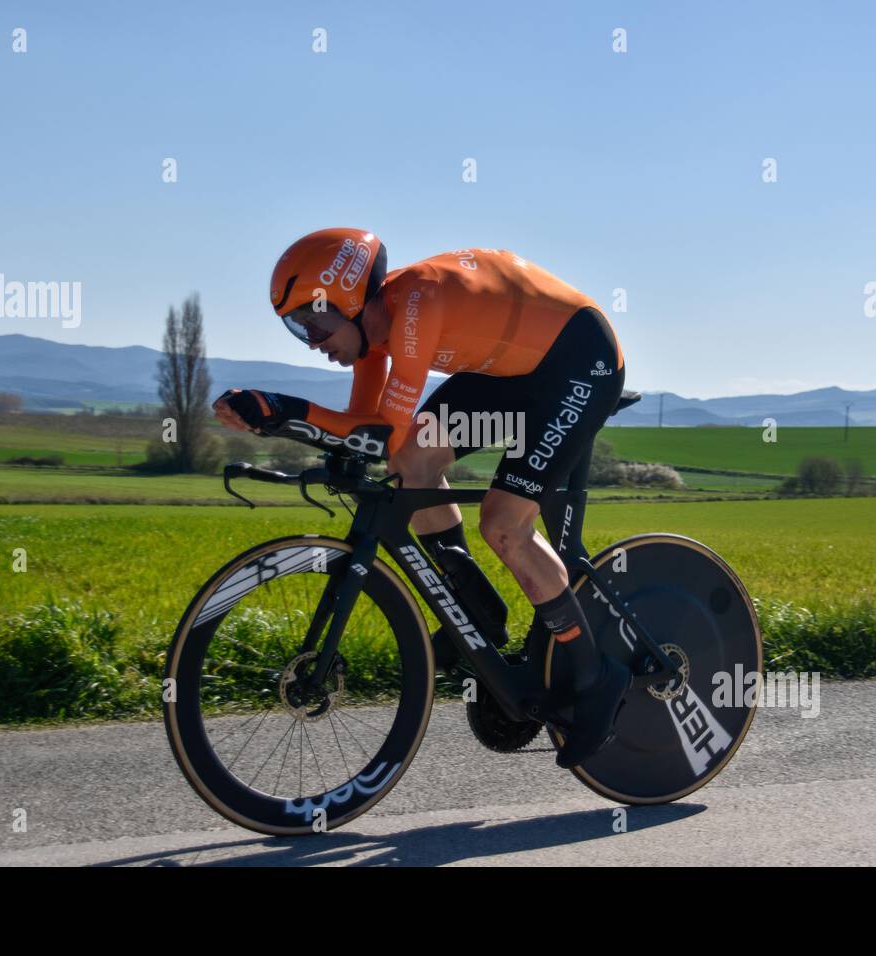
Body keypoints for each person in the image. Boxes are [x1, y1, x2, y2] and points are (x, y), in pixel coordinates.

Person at [214, 227, 631, 768]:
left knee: (504, 524)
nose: (313, 343)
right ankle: (473, 602)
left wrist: (286, 410)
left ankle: (597, 676)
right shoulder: (372, 332)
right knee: (412, 460)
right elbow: (370, 432)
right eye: (298, 330)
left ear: (350, 300)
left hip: (580, 364)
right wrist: (276, 419)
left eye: (313, 324)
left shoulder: (416, 304)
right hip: (512, 369)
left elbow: (378, 428)